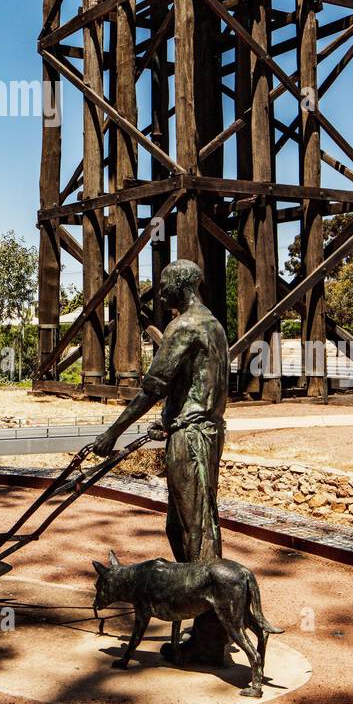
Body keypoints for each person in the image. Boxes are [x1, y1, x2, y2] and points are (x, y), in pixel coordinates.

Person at [92, 258, 229, 664]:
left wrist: (112, 432)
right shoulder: (215, 325)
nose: (161, 292)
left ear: (180, 286)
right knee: (191, 524)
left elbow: (153, 386)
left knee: (194, 531)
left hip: (190, 440)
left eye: (165, 286)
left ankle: (210, 633)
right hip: (205, 432)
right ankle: (209, 626)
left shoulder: (184, 326)